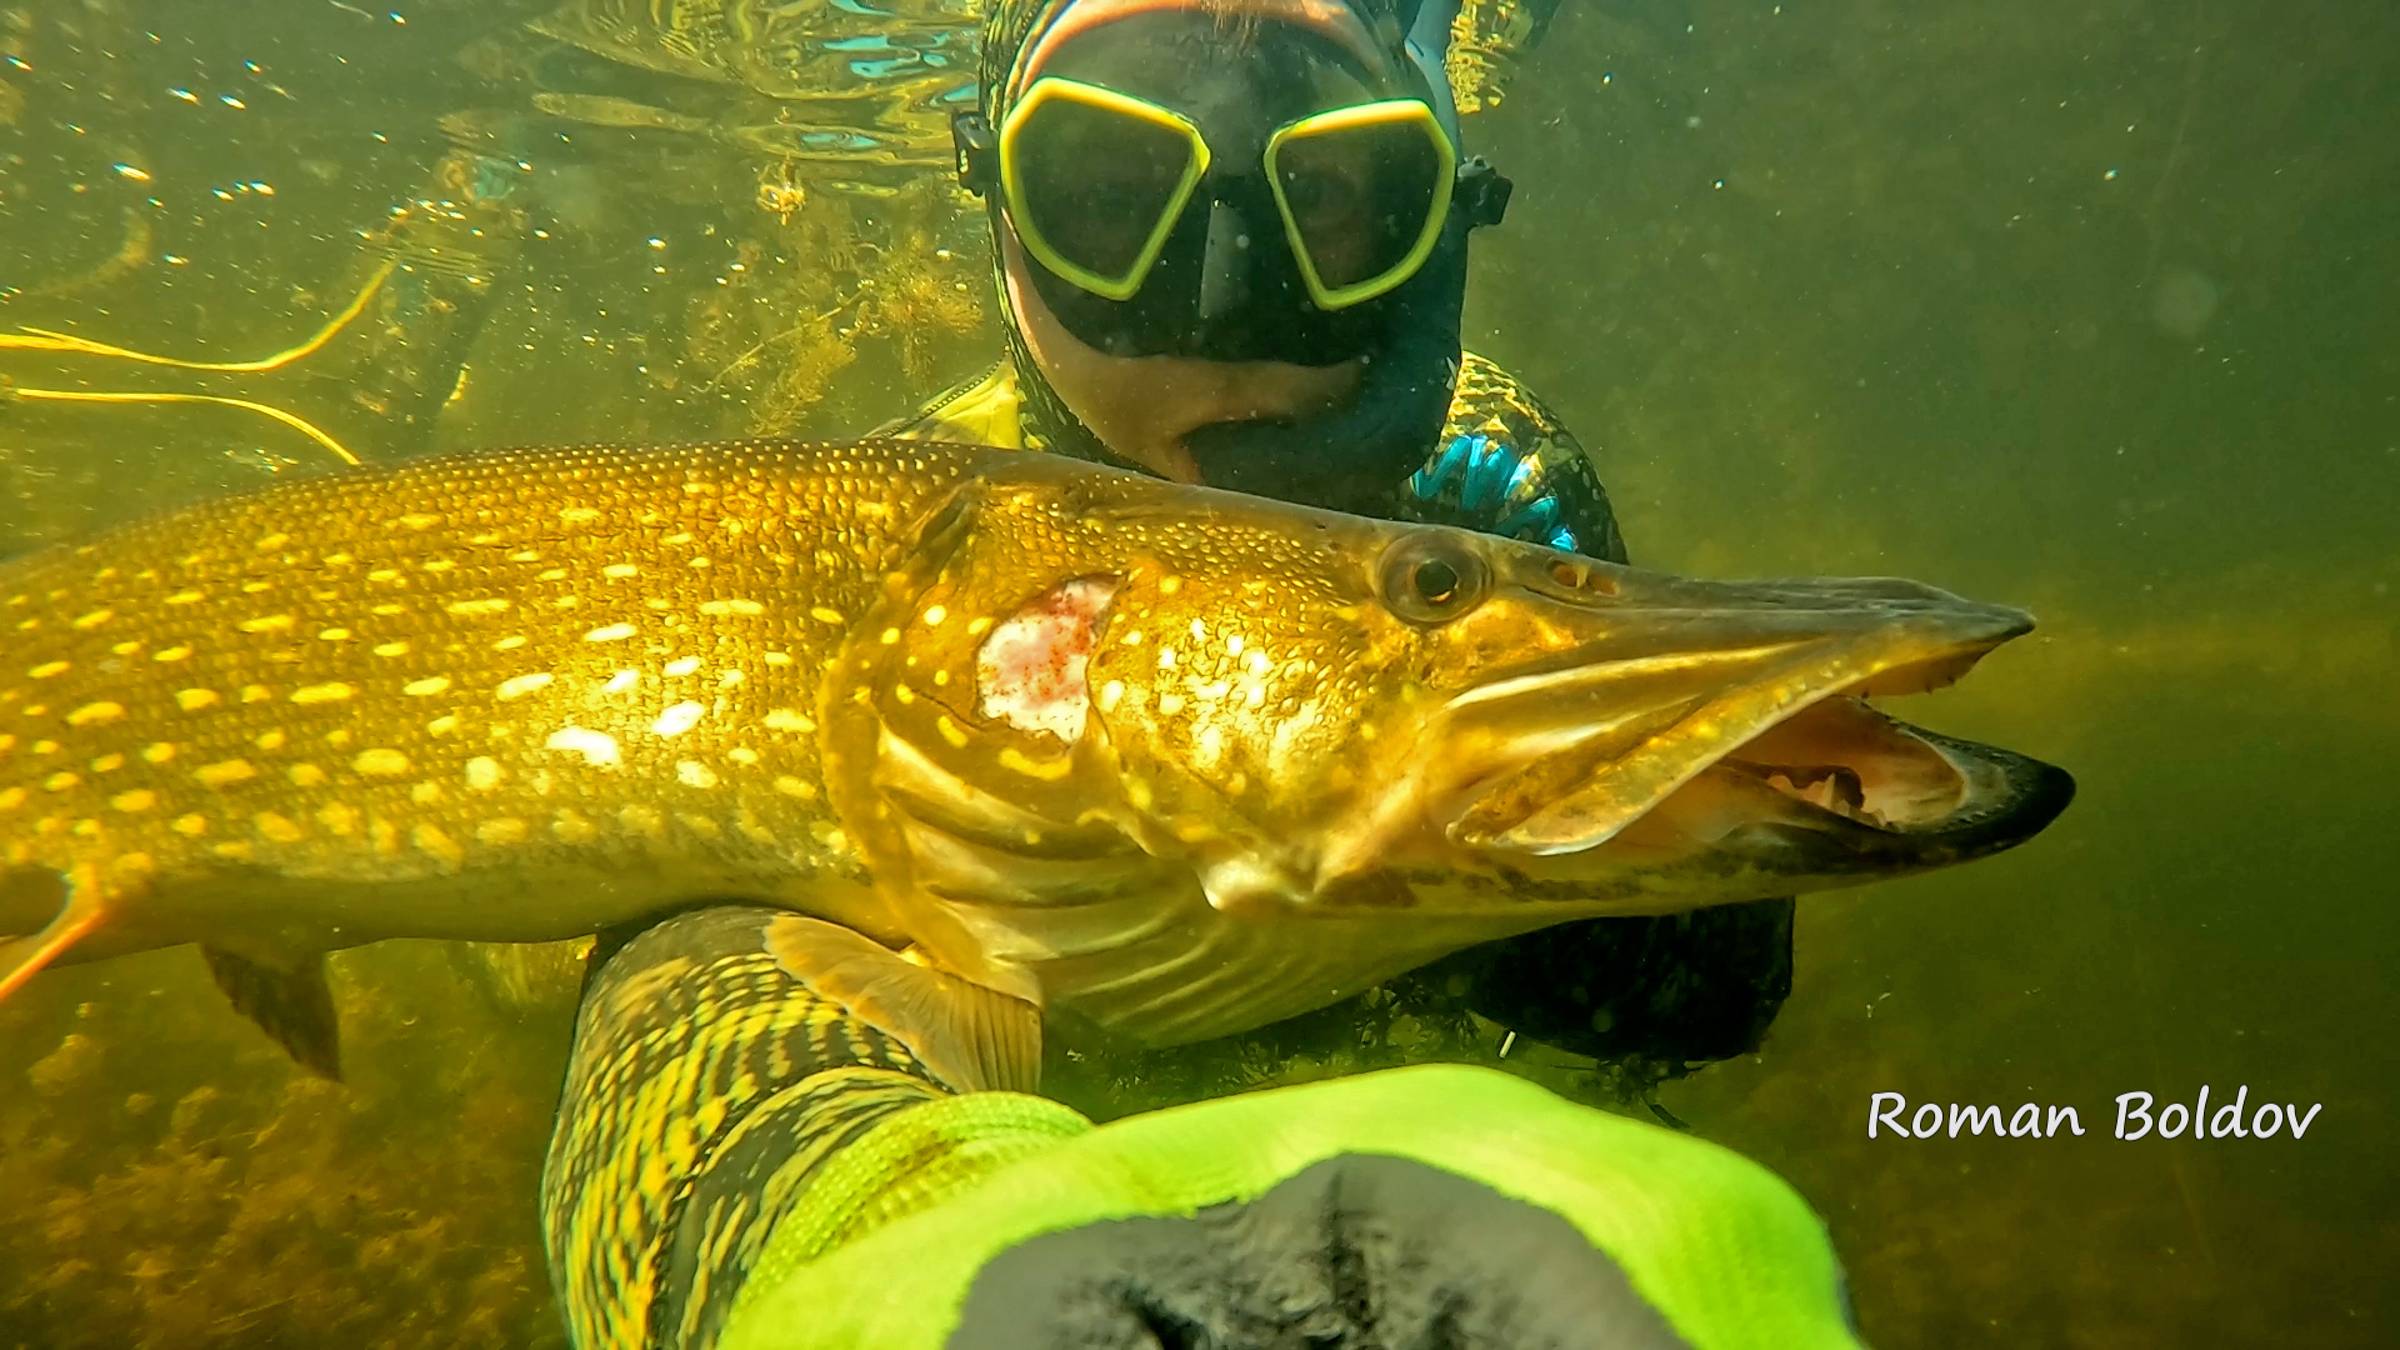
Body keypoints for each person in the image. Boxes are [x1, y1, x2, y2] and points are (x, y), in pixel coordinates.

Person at [876, 0, 1794, 1097]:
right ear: (999, 204)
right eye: (1114, 199)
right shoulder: (882, 529)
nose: (1223, 304)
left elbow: (1710, 985)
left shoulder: (1486, 486)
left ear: (1433, 233)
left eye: (1320, 196)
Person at [542, 906, 1865, 1350]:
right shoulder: (872, 565)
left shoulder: (1493, 470)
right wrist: (897, 1226)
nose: (1257, 363)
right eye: (1108, 240)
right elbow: (683, 997)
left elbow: (1708, 992)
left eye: (1353, 236)